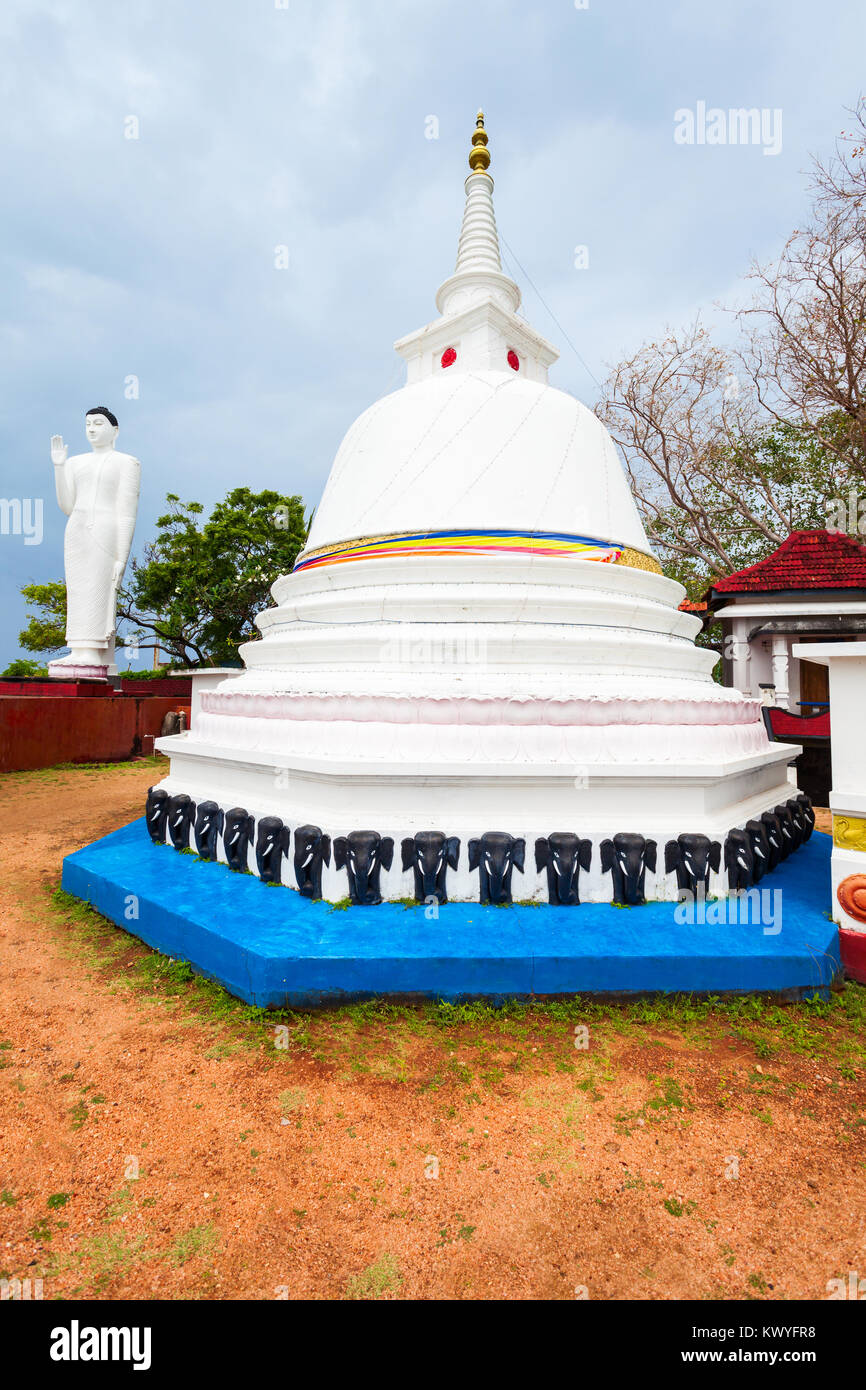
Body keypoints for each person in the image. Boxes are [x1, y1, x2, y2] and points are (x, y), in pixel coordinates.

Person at [49, 408, 141, 675]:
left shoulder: (127, 462)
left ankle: (92, 649)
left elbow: (127, 512)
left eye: (98, 424)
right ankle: (78, 648)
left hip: (105, 531)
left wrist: (122, 556)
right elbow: (67, 505)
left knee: (98, 587)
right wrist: (58, 466)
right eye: (87, 424)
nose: (91, 429)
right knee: (78, 591)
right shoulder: (74, 462)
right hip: (76, 530)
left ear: (115, 430)